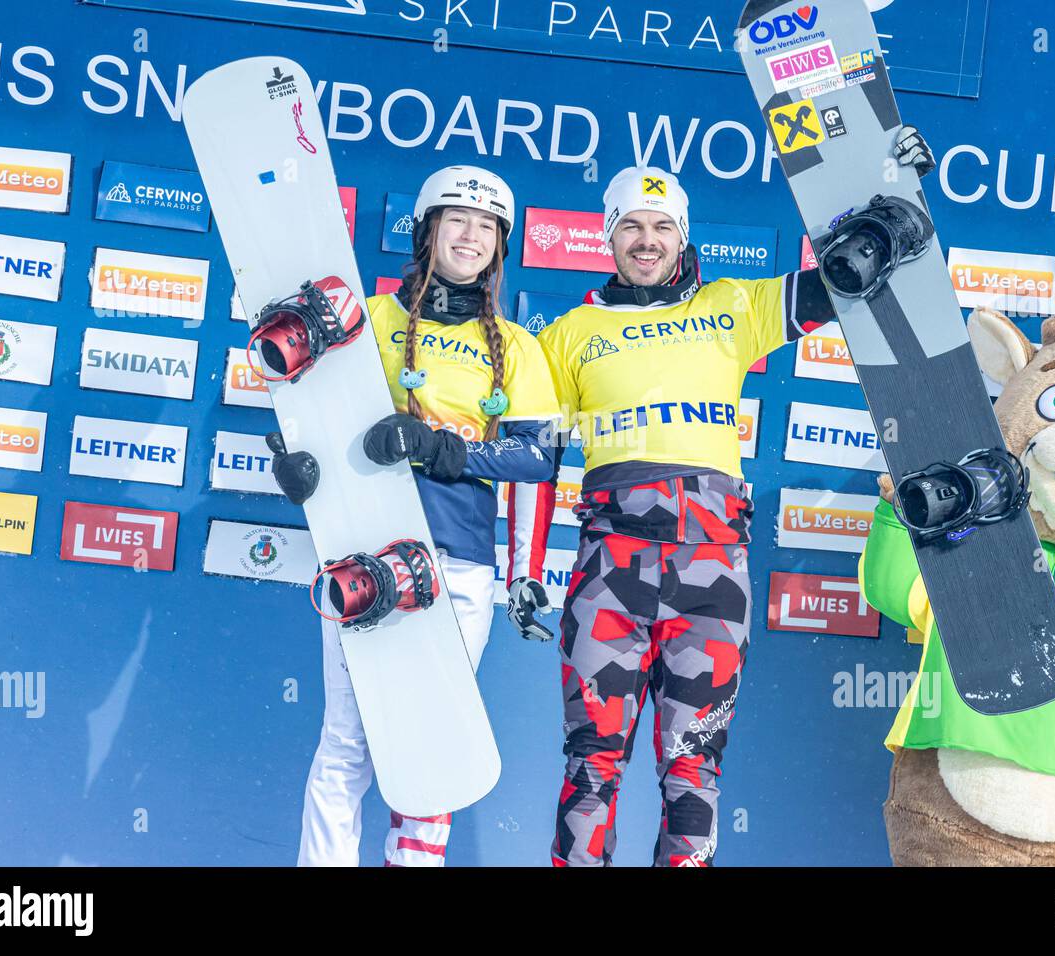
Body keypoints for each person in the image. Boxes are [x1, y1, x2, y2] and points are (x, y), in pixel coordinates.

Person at [532, 128, 935, 866]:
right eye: (630, 226)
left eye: (661, 227)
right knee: (591, 767)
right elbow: (533, 456)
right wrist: (522, 570)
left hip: (711, 575)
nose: (646, 240)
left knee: (695, 773)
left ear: (682, 236)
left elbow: (847, 275)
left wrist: (896, 189)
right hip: (609, 573)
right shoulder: (568, 333)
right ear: (607, 236)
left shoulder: (731, 307)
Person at [269, 165, 561, 867]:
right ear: (426, 231)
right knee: (346, 741)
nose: (471, 235)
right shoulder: (369, 318)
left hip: (456, 569)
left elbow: (538, 459)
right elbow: (305, 411)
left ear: (501, 245)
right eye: (456, 219)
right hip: (358, 547)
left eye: (487, 226)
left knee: (430, 749)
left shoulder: (517, 346)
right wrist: (292, 461)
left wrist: (439, 447)